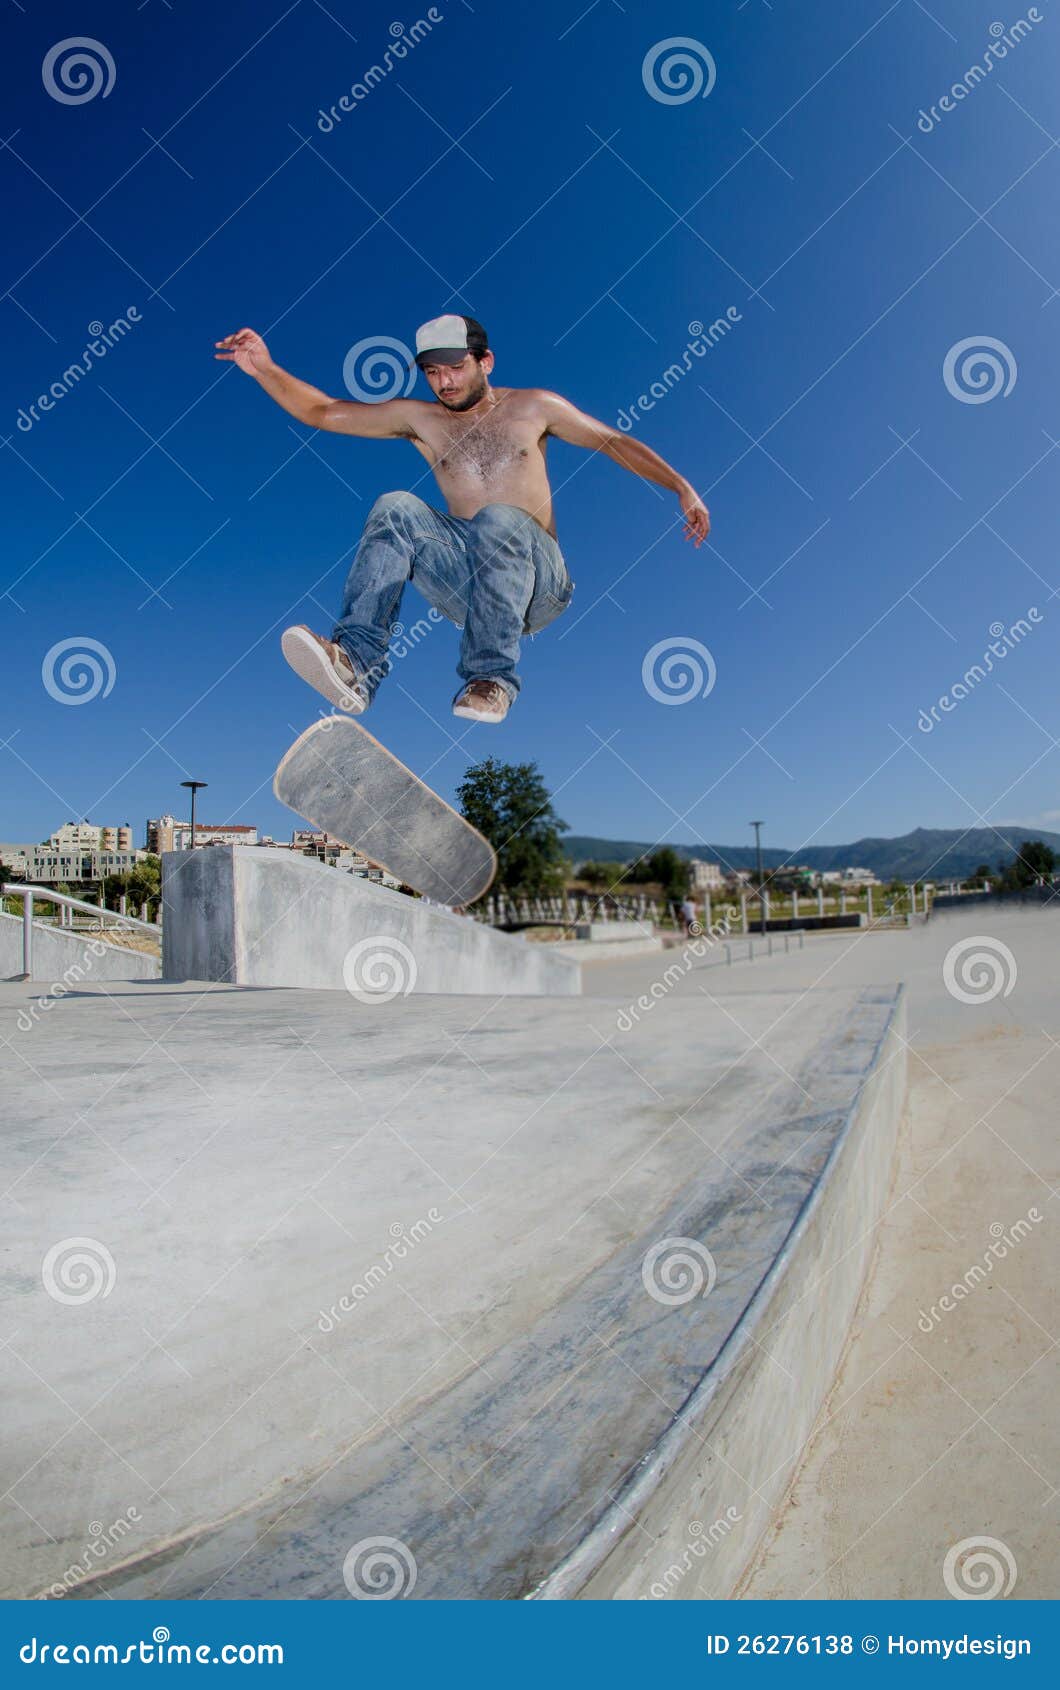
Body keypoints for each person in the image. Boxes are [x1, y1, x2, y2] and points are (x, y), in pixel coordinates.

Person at [215, 314, 710, 723]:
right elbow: (324, 411)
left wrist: (680, 486)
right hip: (468, 587)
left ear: (484, 361)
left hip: (539, 585)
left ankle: (492, 679)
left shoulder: (535, 407)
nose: (445, 383)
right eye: (432, 372)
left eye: (455, 368)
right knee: (394, 507)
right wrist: (265, 370)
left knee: (498, 518)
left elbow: (612, 441)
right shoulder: (421, 420)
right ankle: (357, 665)